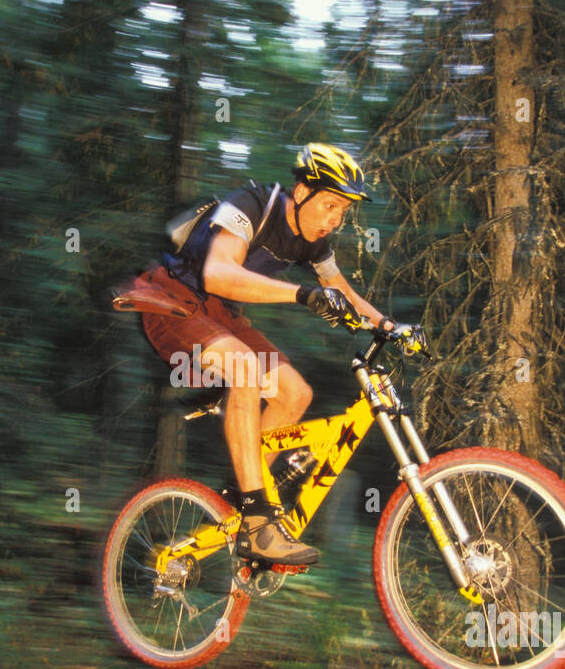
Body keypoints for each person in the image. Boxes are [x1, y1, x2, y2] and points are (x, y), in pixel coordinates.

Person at [137, 143, 402, 566]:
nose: (335, 220)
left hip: (220, 316)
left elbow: (345, 295)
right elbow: (218, 273)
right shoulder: (253, 203)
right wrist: (302, 294)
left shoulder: (314, 242)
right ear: (301, 194)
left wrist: (390, 326)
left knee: (294, 394)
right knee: (245, 370)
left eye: (343, 213)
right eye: (330, 205)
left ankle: (243, 499)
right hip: (171, 300)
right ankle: (259, 520)